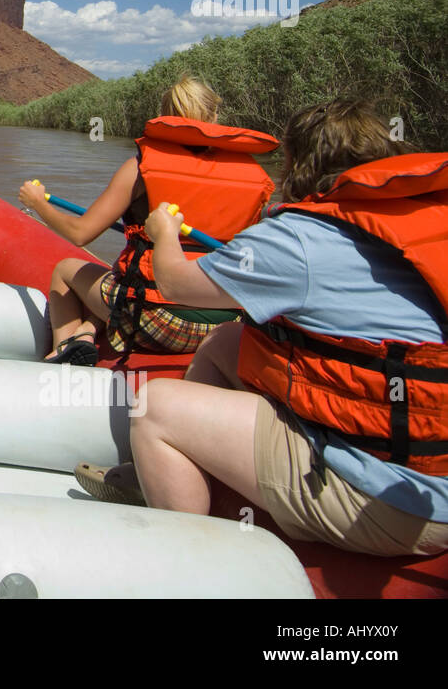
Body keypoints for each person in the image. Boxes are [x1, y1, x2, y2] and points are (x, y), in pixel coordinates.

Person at [85, 100, 448, 558]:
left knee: (155, 406)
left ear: (297, 163)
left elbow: (176, 283)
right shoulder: (427, 227)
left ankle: (185, 559)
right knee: (226, 340)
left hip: (383, 501)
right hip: (428, 471)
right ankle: (178, 465)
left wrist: (165, 233)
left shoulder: (296, 238)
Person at [17, 76, 277, 365]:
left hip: (157, 320)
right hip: (226, 322)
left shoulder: (140, 167)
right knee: (117, 275)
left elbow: (81, 233)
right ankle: (86, 333)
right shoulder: (253, 177)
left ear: (165, 118)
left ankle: (63, 356)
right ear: (215, 116)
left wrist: (38, 203)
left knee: (66, 270)